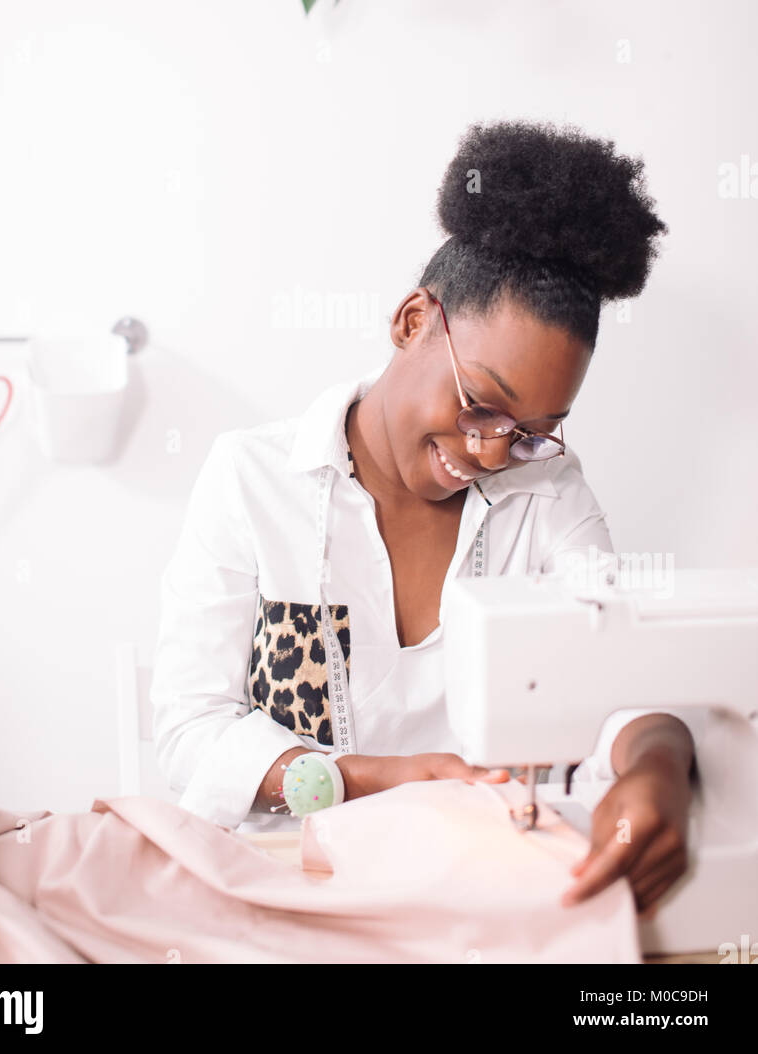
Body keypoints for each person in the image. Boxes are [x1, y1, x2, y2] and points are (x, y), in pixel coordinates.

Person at [151, 121, 701, 919]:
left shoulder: (547, 493)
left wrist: (659, 764)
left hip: (477, 901)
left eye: (532, 430)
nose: (489, 450)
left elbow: (618, 676)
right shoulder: (253, 482)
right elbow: (191, 731)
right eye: (481, 405)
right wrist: (370, 776)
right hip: (289, 897)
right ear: (413, 322)